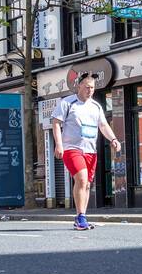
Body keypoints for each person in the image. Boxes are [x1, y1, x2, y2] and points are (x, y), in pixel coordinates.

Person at [51, 72, 121, 230]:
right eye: (87, 87)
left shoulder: (96, 106)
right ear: (79, 86)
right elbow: (56, 123)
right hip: (72, 148)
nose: (90, 90)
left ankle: (80, 216)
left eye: (93, 88)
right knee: (82, 179)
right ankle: (81, 217)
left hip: (90, 150)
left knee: (87, 184)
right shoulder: (67, 103)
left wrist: (114, 139)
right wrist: (59, 144)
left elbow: (103, 125)